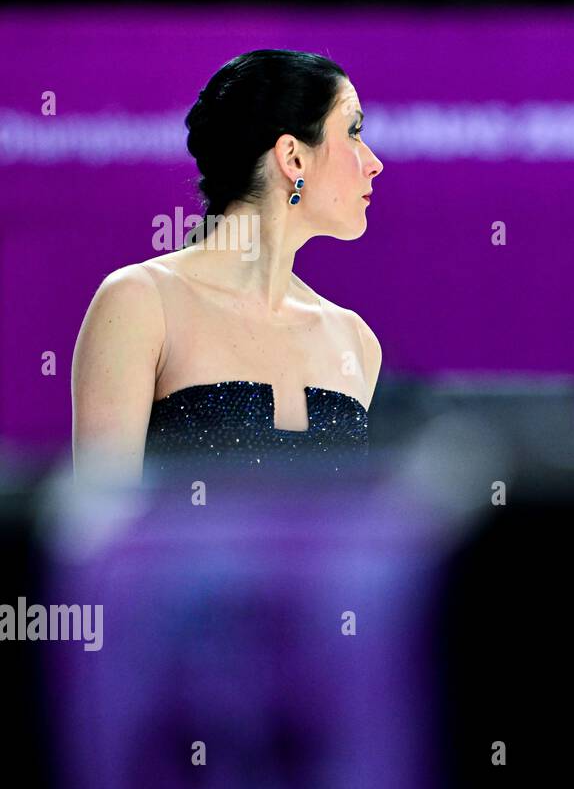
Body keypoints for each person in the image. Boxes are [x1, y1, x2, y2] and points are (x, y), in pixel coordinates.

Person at [71, 49, 383, 485]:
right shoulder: (140, 303)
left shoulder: (355, 341)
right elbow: (100, 524)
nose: (374, 162)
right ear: (292, 157)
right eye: (353, 132)